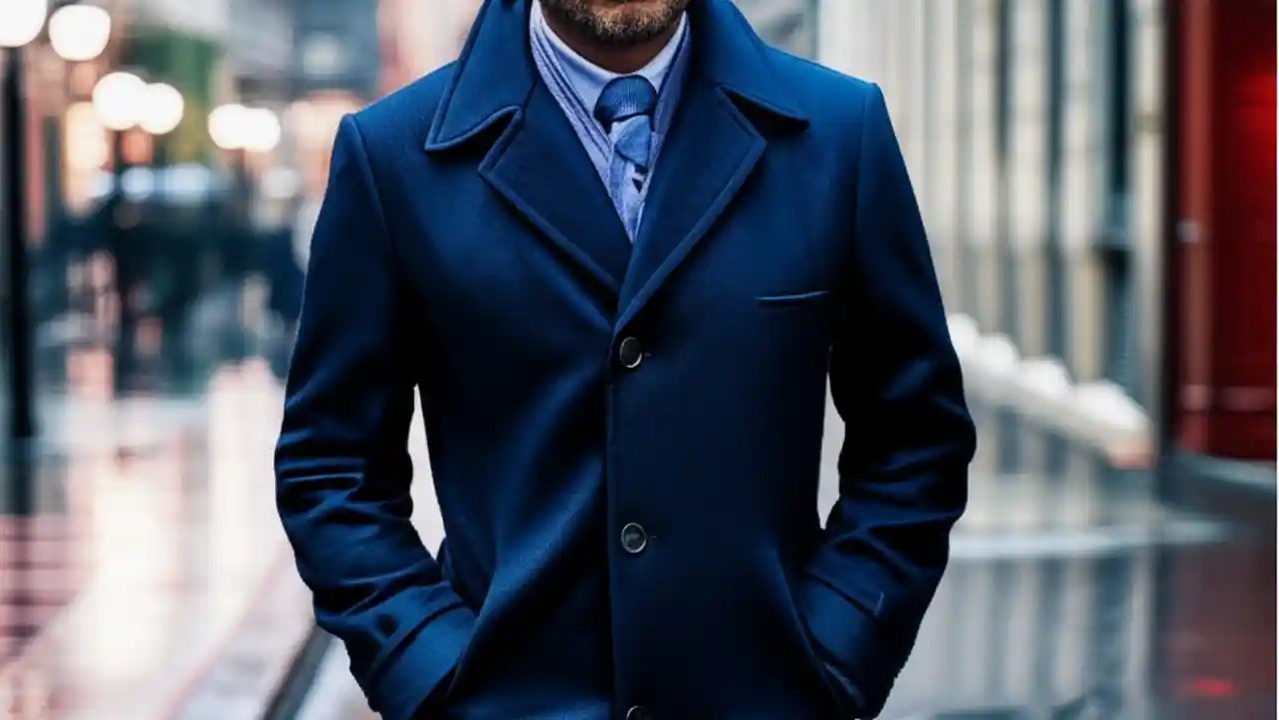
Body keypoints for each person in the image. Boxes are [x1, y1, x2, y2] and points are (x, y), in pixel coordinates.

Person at [274, 0, 977, 718]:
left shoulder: (837, 134)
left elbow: (915, 441)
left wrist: (836, 652)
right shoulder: (393, 157)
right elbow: (331, 469)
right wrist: (430, 671)